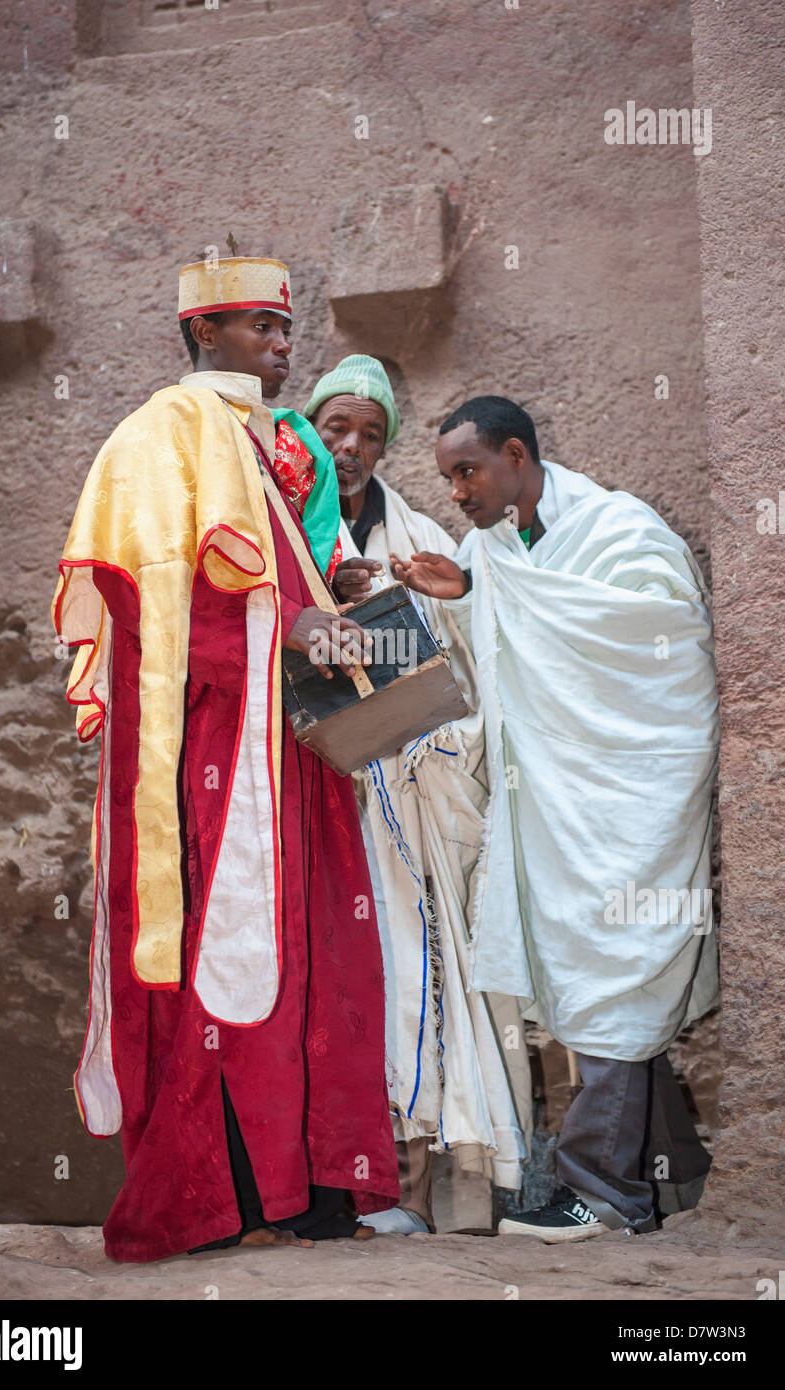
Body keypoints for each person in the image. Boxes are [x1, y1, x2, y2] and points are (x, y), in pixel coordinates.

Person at [52, 257, 399, 1262]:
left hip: (282, 756)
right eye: (260, 327)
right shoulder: (157, 436)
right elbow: (153, 602)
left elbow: (273, 592)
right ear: (205, 334)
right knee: (222, 958)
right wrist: (290, 632)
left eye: (286, 328)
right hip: (203, 762)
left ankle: (303, 1189)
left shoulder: (260, 446)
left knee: (310, 958)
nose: (283, 346)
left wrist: (326, 621)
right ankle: (223, 1189)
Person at [390, 395, 718, 1242]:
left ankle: (602, 1193)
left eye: (468, 472)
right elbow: (491, 662)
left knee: (618, 969)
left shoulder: (620, 531)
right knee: (597, 977)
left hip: (627, 796)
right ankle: (662, 1182)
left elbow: (663, 643)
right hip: (549, 803)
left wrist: (499, 601)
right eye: (448, 479)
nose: (457, 492)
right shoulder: (488, 550)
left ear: (514, 455)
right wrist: (463, 596)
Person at [304, 358, 532, 1234]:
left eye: (369, 433)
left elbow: (462, 670)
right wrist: (321, 598)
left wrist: (386, 603)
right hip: (318, 796)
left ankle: (417, 1187)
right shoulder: (281, 530)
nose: (352, 447)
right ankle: (338, 1191)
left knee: (415, 973)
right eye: (336, 429)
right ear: (309, 434)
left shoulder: (413, 538)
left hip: (404, 794)